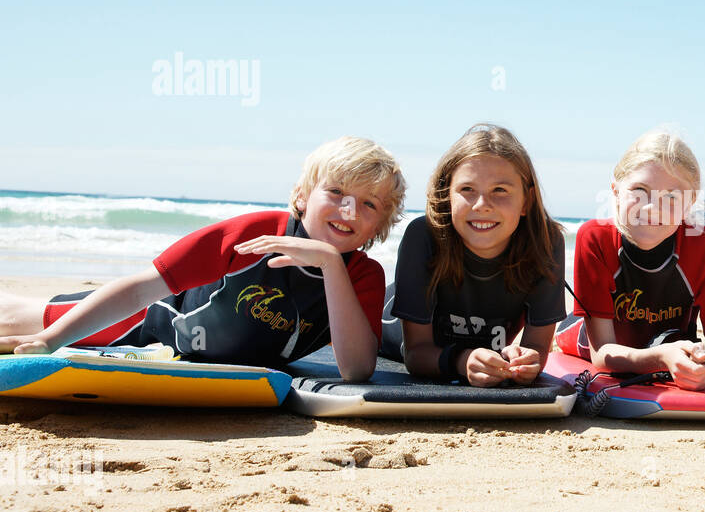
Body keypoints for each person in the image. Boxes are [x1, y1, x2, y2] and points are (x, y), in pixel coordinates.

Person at [0, 137, 406, 380]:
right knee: (18, 321)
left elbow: (355, 371)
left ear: (381, 224)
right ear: (302, 196)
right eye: (336, 192)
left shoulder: (361, 277)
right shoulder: (253, 234)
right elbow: (146, 284)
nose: (348, 210)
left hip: (194, 356)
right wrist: (52, 340)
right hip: (148, 324)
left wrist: (330, 265)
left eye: (368, 203)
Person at [380, 124, 566, 387]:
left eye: (500, 190)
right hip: (389, 340)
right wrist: (461, 361)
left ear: (526, 201)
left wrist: (525, 360)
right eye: (467, 189)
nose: (482, 205)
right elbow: (415, 354)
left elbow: (537, 346)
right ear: (447, 196)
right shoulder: (423, 236)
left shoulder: (545, 243)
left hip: (476, 355)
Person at [556, 129, 705, 390]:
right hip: (587, 336)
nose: (653, 208)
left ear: (690, 202)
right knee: (576, 332)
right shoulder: (595, 238)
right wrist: (661, 359)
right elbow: (602, 355)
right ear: (616, 191)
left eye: (672, 197)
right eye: (640, 191)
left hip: (667, 347)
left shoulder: (703, 246)